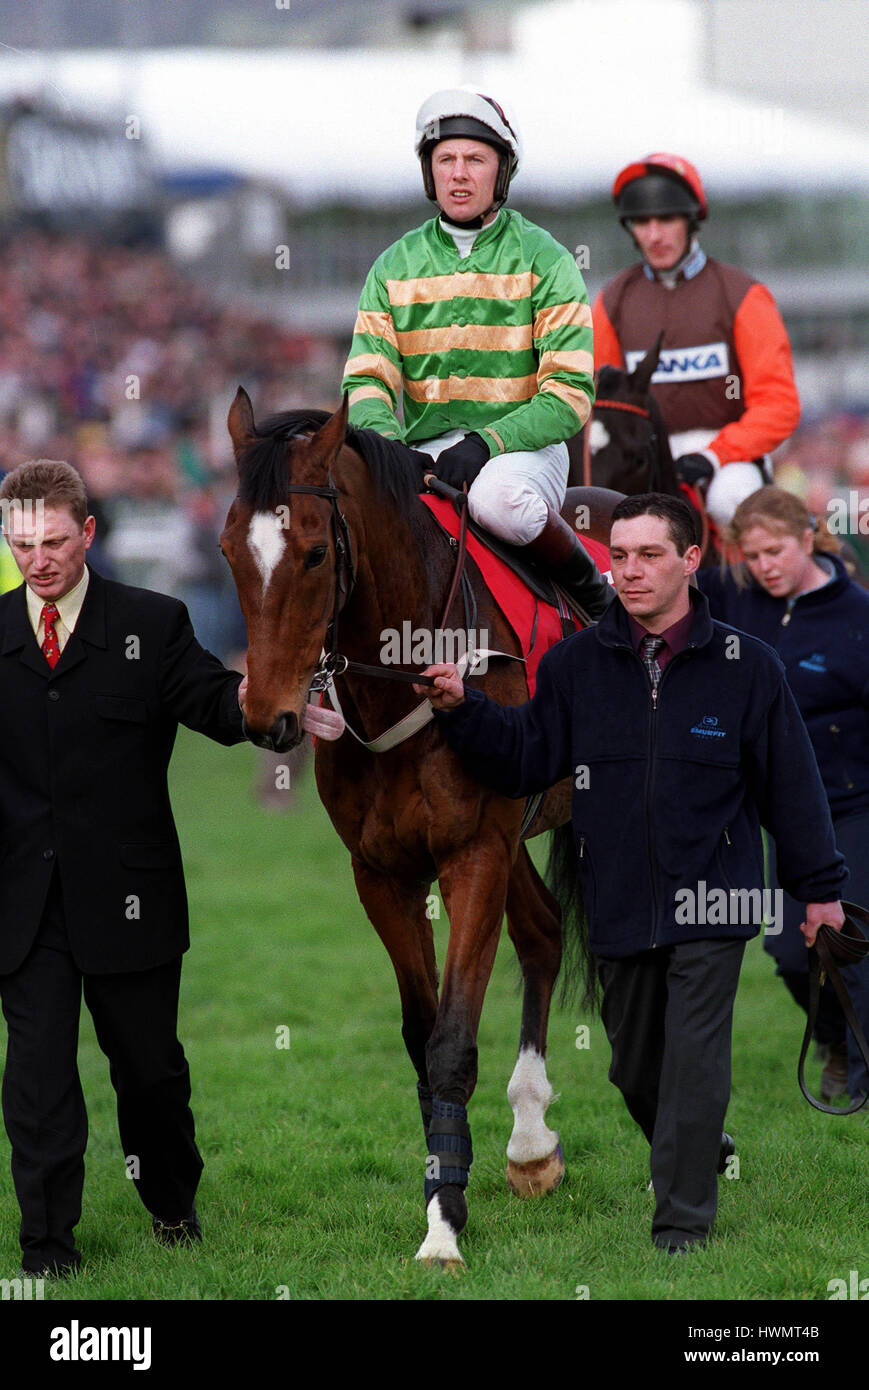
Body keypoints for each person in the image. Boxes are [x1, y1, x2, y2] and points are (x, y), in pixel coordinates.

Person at [415, 492, 846, 1253]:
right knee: (633, 1068)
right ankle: (695, 1149)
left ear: (688, 560)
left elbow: (794, 789)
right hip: (615, 898)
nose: (629, 571)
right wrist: (461, 709)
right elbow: (525, 756)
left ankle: (680, 1225)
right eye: (617, 557)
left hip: (714, 899)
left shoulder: (748, 667)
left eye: (648, 555)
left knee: (693, 1060)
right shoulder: (577, 664)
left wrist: (818, 894)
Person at [0, 459, 248, 1277]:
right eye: (22, 542)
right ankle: (47, 1249)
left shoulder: (154, 622)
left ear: (90, 535)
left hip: (131, 899)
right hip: (23, 910)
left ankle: (172, 1205)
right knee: (36, 1085)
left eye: (55, 542)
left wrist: (272, 709)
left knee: (148, 1077)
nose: (39, 559)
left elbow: (220, 706)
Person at [341, 85, 611, 618]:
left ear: (500, 173)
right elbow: (366, 384)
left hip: (523, 456)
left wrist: (489, 442)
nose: (459, 174)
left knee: (498, 503)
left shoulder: (548, 260)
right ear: (430, 173)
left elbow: (570, 393)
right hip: (421, 455)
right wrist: (392, 450)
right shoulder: (392, 266)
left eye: (475, 159)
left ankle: (598, 604)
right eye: (445, 160)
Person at [698, 485, 869, 1105]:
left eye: (775, 551)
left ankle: (856, 1071)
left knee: (847, 942)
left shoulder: (858, 618)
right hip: (773, 810)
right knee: (787, 952)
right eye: (751, 555)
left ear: (806, 538)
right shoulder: (733, 596)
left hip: (851, 802)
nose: (763, 566)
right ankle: (831, 1039)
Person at [592, 153, 801, 528]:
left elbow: (779, 405)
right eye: (641, 222)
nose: (654, 235)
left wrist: (715, 455)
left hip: (729, 455)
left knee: (729, 503)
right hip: (641, 451)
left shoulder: (743, 294)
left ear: (691, 221)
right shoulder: (612, 300)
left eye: (667, 219)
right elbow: (597, 401)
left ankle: (751, 586)